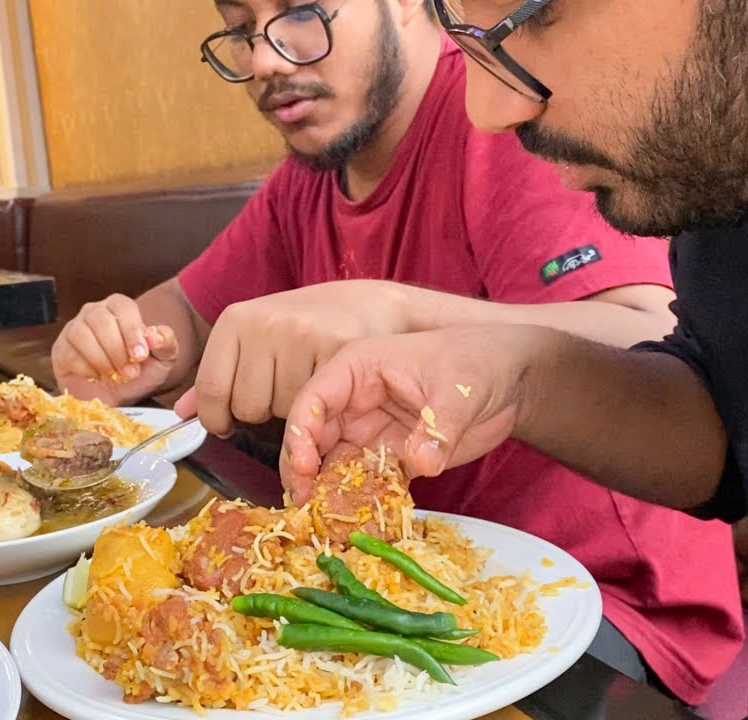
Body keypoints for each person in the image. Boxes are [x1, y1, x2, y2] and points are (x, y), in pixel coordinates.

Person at [53, 0, 743, 706]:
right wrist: (124, 341)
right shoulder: (311, 178)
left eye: (298, 11)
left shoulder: (544, 114)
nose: (263, 58)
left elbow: (652, 339)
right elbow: (183, 310)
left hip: (604, 604)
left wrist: (400, 315)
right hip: (396, 579)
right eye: (240, 27)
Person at [265, 0, 748, 591]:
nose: (487, 110)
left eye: (533, 12)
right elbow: (719, 440)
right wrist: (514, 373)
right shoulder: (722, 210)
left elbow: (637, 320)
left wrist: (405, 314)